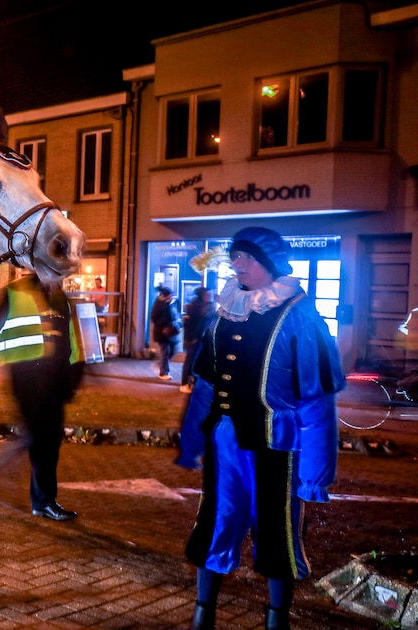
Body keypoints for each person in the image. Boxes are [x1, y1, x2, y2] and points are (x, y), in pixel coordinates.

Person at [177, 227, 343, 630]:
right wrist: (192, 439)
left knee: (276, 529)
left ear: (269, 263)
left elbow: (317, 401)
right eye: (234, 258)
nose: (238, 265)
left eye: (247, 258)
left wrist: (314, 477)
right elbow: (206, 385)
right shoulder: (223, 311)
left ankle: (276, 618)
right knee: (216, 518)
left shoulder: (299, 315)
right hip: (226, 441)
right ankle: (203, 610)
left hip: (278, 443)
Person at [0, 273, 84, 522]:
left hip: (56, 383)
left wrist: (76, 378)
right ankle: (43, 501)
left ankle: (5, 465)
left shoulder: (62, 300)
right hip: (27, 381)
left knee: (46, 440)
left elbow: (73, 342)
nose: (58, 278)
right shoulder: (14, 293)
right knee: (43, 441)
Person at [179, 287, 216, 393]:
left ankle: (195, 383)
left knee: (200, 361)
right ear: (201, 296)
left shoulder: (211, 308)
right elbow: (189, 325)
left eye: (210, 294)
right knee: (190, 360)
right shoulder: (193, 308)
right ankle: (185, 382)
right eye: (206, 295)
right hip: (194, 339)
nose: (209, 296)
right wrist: (191, 338)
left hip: (206, 340)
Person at [149, 285, 181, 381]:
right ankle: (163, 372)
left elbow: (176, 315)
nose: (171, 297)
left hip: (170, 331)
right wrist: (163, 326)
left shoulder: (172, 303)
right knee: (165, 351)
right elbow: (154, 318)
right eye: (169, 296)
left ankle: (161, 364)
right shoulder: (159, 305)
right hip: (162, 332)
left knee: (173, 350)